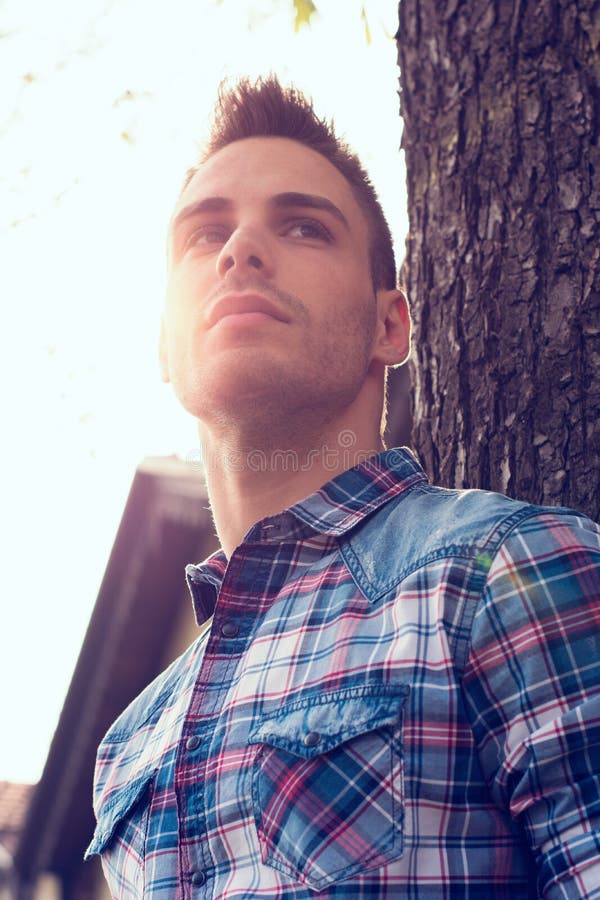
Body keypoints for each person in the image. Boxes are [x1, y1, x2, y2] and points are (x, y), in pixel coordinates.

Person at [85, 76, 600, 898]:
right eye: (204, 233)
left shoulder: (506, 571)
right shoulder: (130, 744)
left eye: (302, 226)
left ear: (389, 323)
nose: (239, 250)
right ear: (164, 346)